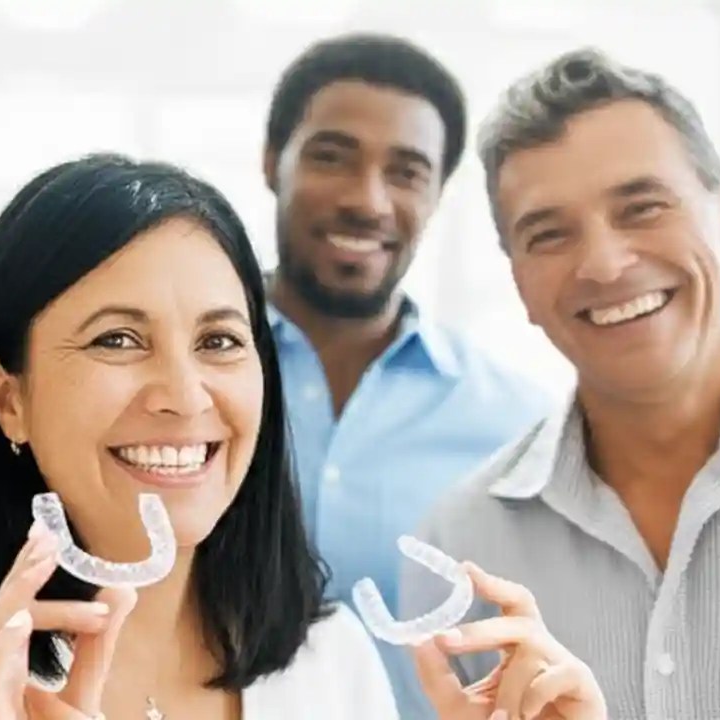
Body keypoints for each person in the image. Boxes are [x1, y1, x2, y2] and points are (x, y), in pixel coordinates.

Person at [0, 154, 604, 719]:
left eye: (220, 341)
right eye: (118, 340)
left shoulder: (325, 659)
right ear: (8, 399)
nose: (184, 397)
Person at [401, 48, 720, 719]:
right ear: (519, 283)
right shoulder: (459, 549)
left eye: (642, 208)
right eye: (549, 235)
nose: (606, 265)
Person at [260, 33, 553, 707]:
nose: (368, 200)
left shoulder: (517, 426)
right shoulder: (178, 387)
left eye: (406, 172)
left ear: (438, 193)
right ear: (273, 161)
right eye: (332, 158)